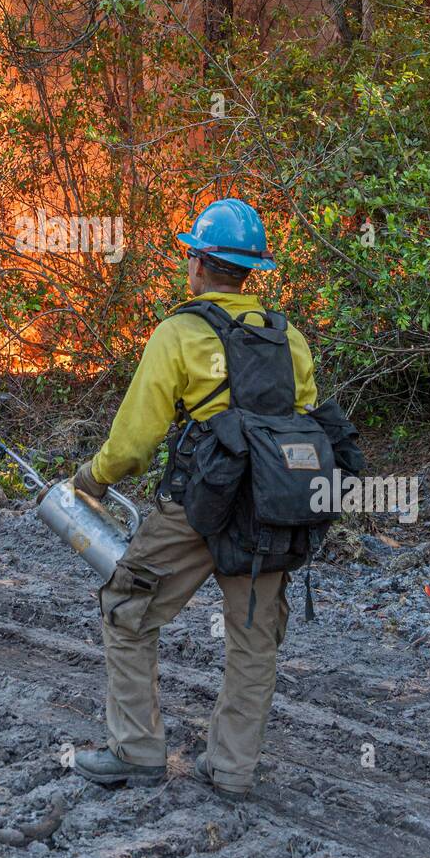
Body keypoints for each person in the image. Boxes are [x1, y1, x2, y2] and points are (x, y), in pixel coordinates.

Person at [72, 198, 317, 797]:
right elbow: (301, 426)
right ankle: (233, 770)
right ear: (251, 269)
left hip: (195, 509)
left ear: (201, 264)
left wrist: (94, 478)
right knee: (254, 639)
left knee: (126, 608)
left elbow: (135, 438)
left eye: (191, 257)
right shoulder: (292, 341)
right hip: (269, 515)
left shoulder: (180, 332)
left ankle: (136, 750)